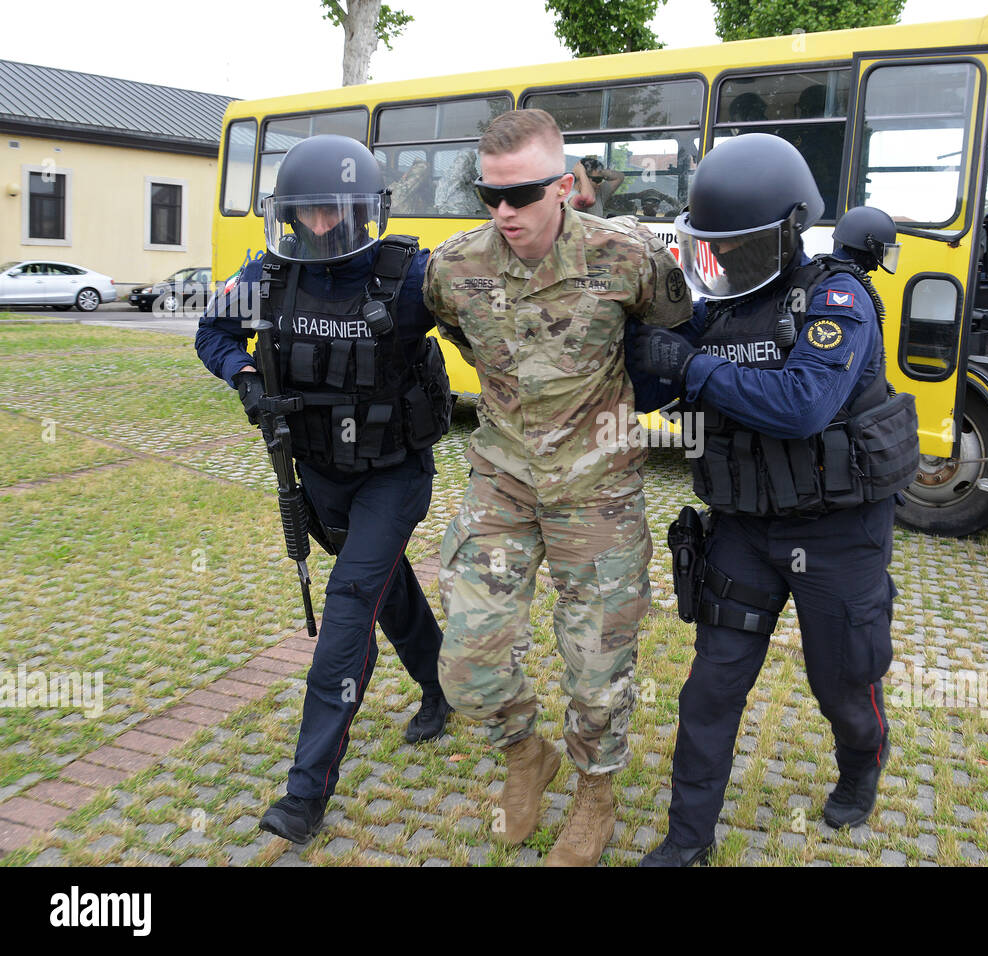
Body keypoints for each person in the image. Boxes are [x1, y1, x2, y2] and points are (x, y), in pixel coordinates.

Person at [626, 134, 919, 866]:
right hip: (743, 528)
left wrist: (693, 368)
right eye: (715, 249)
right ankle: (688, 839)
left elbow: (802, 406)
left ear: (791, 232)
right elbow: (653, 384)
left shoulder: (836, 297)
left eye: (744, 247)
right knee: (710, 691)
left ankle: (863, 760)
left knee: (843, 681)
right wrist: (639, 349)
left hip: (836, 531)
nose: (726, 263)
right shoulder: (714, 309)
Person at [422, 108, 692, 867]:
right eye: (489, 196)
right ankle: (523, 754)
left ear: (566, 187)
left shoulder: (627, 257)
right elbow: (455, 331)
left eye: (523, 195)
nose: (504, 212)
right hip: (503, 479)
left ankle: (595, 795)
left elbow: (670, 331)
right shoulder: (455, 268)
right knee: (468, 664)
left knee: (598, 668)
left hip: (598, 488)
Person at [195, 134, 454, 844]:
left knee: (348, 605)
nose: (319, 224)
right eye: (306, 212)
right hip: (319, 474)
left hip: (394, 473)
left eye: (332, 210)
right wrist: (244, 379)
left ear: (363, 211)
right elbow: (212, 332)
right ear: (289, 214)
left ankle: (305, 794)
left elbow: (486, 336)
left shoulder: (408, 276)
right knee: (382, 583)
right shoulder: (268, 274)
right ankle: (440, 684)